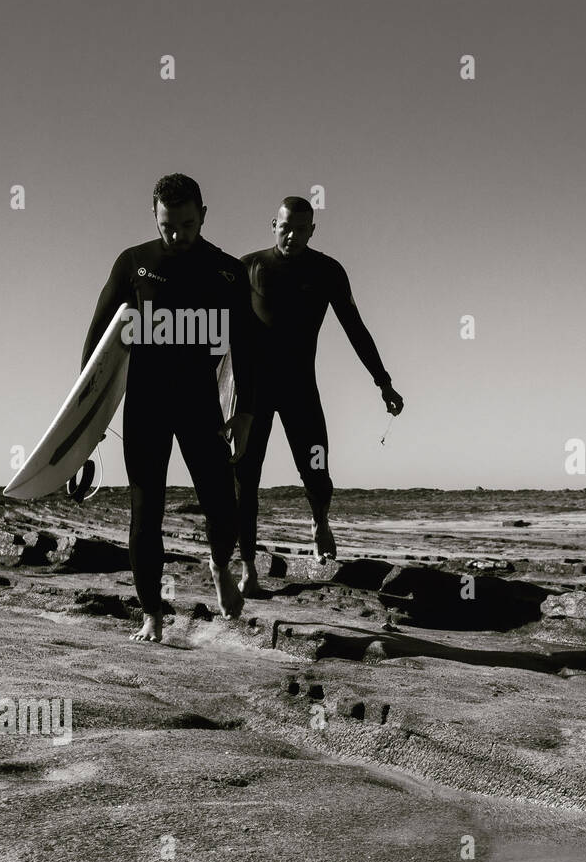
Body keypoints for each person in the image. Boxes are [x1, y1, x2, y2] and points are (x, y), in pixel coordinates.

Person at [81, 173, 255, 642]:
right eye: (166, 226)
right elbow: (98, 339)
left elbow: (249, 346)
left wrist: (246, 411)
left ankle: (219, 566)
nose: (176, 236)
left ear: (203, 215)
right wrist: (88, 421)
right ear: (154, 217)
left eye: (186, 225)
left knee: (224, 506)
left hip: (201, 405)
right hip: (146, 405)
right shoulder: (134, 263)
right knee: (145, 513)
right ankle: (152, 613)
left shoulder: (227, 272)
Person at [237, 197, 403, 593]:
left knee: (317, 468)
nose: (291, 235)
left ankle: (319, 521)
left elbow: (355, 328)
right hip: (254, 391)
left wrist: (383, 381)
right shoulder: (248, 267)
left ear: (313, 230)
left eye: (300, 229)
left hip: (299, 387)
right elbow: (219, 333)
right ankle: (246, 567)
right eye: (284, 227)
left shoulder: (327, 271)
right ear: (271, 225)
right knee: (244, 476)